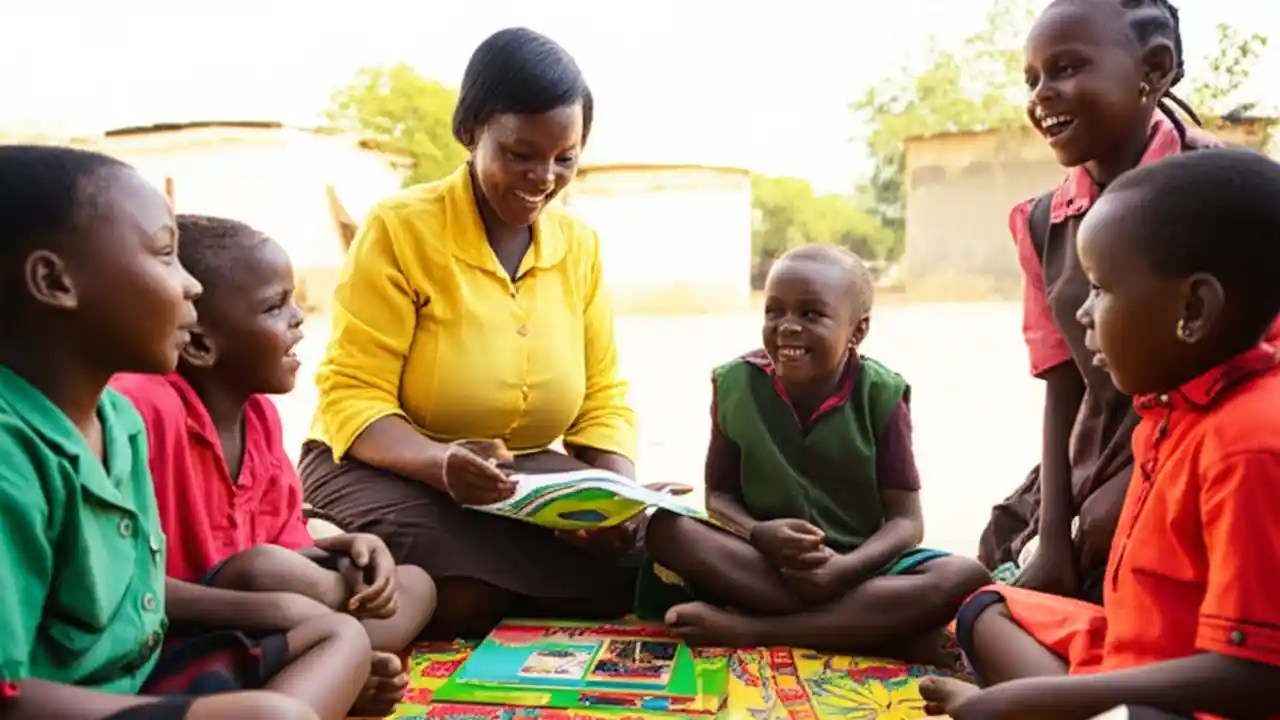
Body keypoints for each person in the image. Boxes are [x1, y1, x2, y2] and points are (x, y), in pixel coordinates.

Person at [0, 146, 371, 720]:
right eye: (167, 255)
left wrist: (270, 614)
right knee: (275, 716)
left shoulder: (115, 423)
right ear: (54, 281)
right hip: (61, 704)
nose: (192, 286)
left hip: (140, 675)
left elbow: (134, 597)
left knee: (338, 638)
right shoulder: (12, 454)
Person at [298, 27, 643, 639]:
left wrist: (615, 498)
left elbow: (601, 401)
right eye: (520, 153)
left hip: (514, 478)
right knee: (460, 583)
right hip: (382, 468)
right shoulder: (401, 228)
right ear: (471, 131)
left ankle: (489, 588)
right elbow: (353, 395)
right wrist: (440, 465)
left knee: (643, 552)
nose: (543, 176)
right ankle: (466, 588)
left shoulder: (579, 246)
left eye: (565, 158)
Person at [922, 149, 1280, 720]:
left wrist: (1044, 698)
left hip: (1202, 702)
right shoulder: (1173, 408)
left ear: (1194, 308)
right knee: (983, 605)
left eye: (1100, 289)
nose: (1084, 315)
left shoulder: (1252, 442)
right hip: (1137, 660)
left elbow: (1257, 677)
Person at [110, 215, 438, 717]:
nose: (299, 318)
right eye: (274, 306)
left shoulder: (259, 416)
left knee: (413, 584)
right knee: (271, 574)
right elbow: (124, 584)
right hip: (170, 631)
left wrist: (344, 546)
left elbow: (289, 542)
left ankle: (334, 665)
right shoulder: (144, 409)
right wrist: (273, 608)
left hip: (266, 623)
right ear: (199, 343)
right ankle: (335, 670)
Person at [977, 0, 1230, 603]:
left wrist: (1135, 490)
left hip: (1209, 463)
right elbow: (1064, 384)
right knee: (998, 567)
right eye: (1032, 79)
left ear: (1155, 69)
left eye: (1066, 68)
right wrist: (1055, 534)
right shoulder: (1044, 222)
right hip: (1093, 457)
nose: (1042, 94)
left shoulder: (1225, 198)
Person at [640, 244, 990, 660]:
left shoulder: (881, 394)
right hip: (763, 561)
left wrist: (843, 570)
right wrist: (758, 533)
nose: (787, 327)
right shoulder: (735, 385)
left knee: (965, 575)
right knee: (665, 528)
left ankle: (753, 628)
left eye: (811, 314)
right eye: (775, 312)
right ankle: (872, 627)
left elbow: (906, 521)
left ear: (857, 331)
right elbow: (719, 496)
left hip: (859, 566)